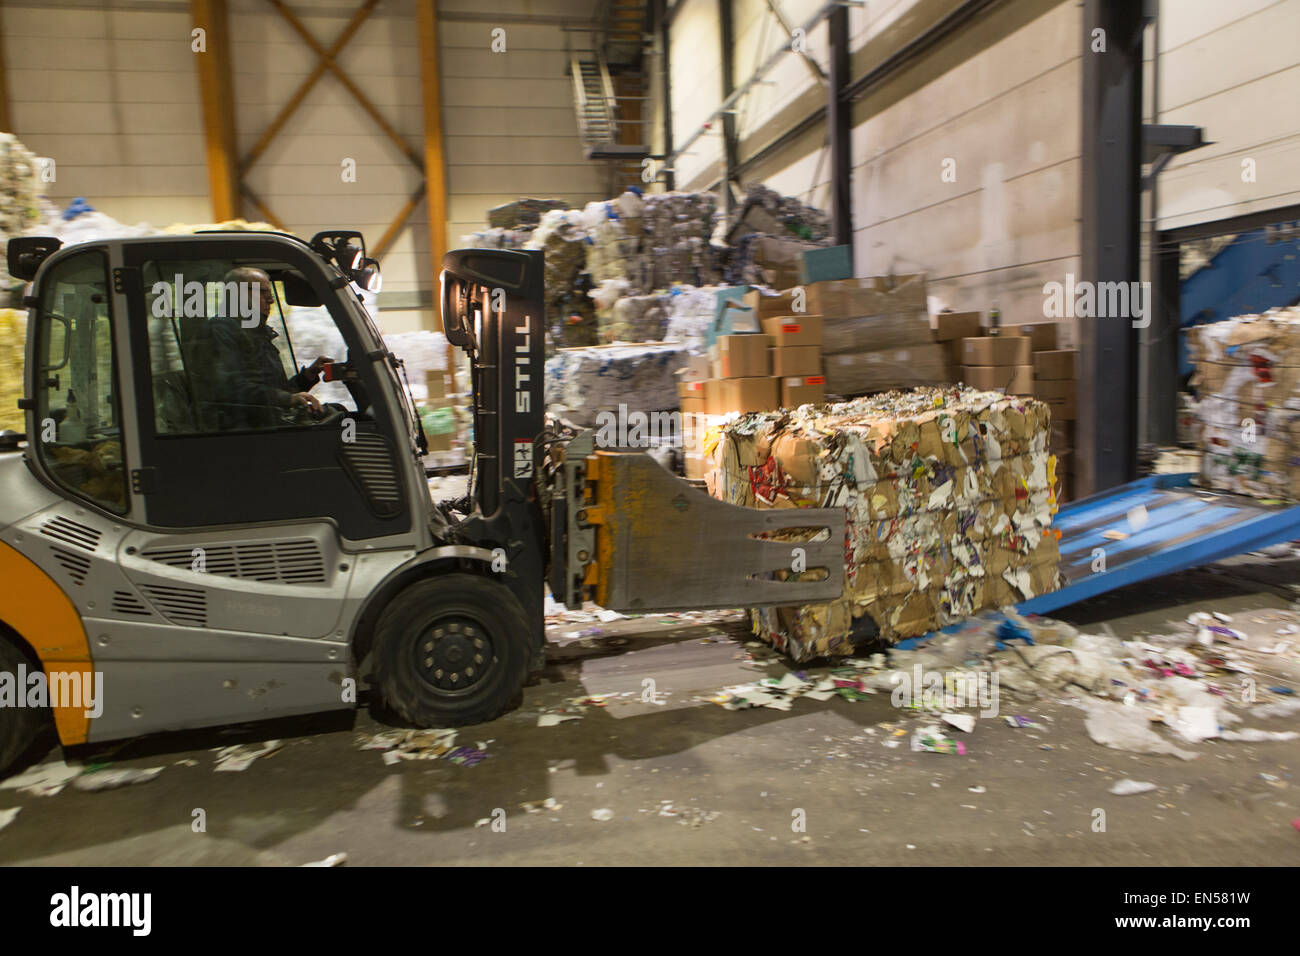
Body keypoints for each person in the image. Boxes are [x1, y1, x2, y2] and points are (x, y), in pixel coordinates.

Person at [204, 267, 333, 429]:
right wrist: (286, 399)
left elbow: (276, 391)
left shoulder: (257, 333)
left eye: (270, 294)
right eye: (263, 292)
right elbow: (229, 388)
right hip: (246, 430)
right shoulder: (220, 331)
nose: (271, 300)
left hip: (269, 422)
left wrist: (307, 377)